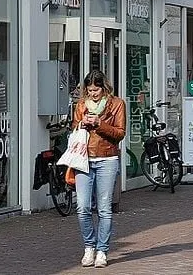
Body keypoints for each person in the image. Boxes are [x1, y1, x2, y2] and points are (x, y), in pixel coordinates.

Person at [72, 70, 126, 268]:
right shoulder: (81, 105)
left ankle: (102, 250)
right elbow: (74, 129)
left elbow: (120, 133)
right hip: (84, 159)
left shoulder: (117, 104)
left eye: (96, 90)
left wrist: (99, 124)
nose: (93, 94)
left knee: (104, 208)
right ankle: (89, 247)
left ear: (104, 88)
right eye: (90, 90)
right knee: (82, 207)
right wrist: (81, 124)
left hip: (107, 158)